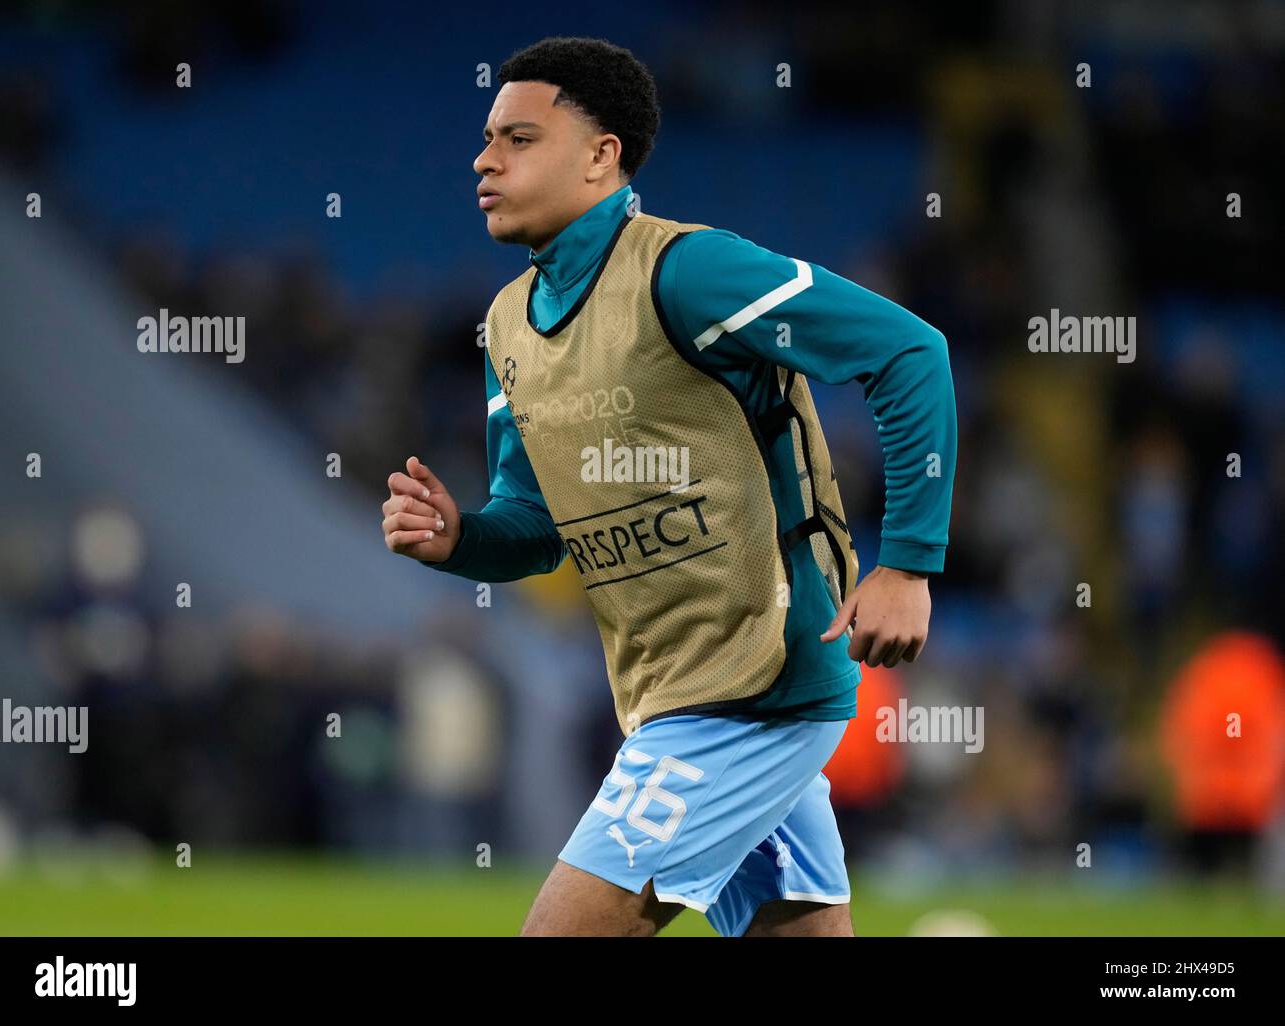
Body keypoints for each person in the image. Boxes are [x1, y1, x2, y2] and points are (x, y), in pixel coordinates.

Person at [381, 36, 956, 936]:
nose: (484, 159)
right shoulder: (506, 329)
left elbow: (909, 351)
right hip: (667, 697)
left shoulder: (688, 273)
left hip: (754, 686)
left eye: (519, 138)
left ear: (601, 155)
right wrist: (462, 540)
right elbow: (537, 525)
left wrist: (910, 564)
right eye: (487, 139)